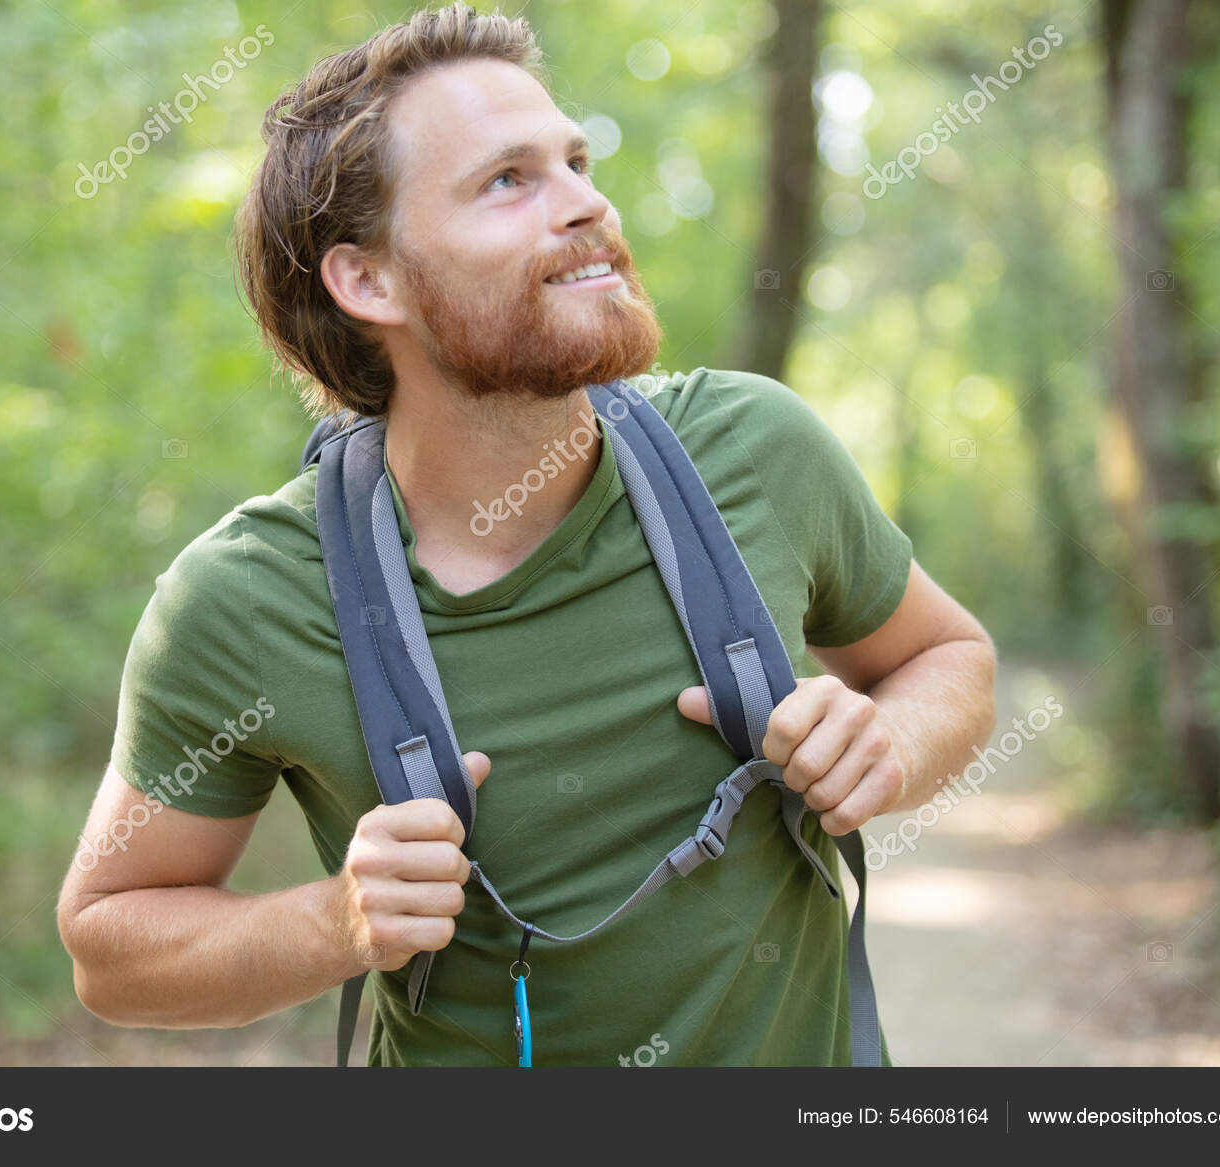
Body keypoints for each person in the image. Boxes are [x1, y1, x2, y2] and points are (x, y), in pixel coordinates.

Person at [57, 2, 997, 1066]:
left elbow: (946, 656)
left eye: (576, 162)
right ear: (368, 280)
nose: (588, 203)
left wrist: (892, 744)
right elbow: (109, 947)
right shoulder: (244, 600)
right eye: (509, 180)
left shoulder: (758, 450)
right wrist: (333, 922)